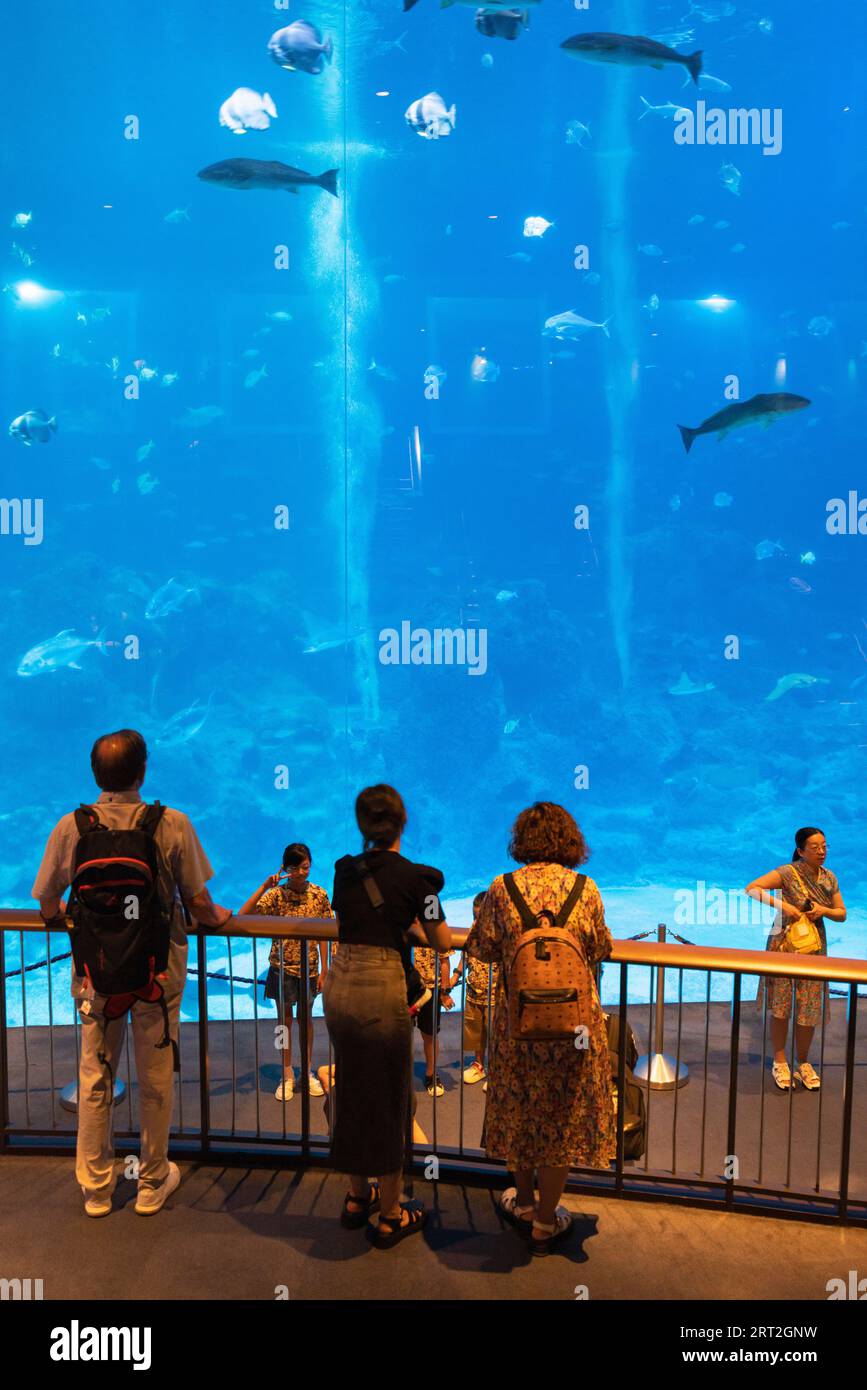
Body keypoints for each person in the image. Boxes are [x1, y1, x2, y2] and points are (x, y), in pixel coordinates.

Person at [32, 729, 231, 1218]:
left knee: (95, 1077)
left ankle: (97, 1190)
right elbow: (200, 904)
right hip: (156, 976)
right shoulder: (171, 823)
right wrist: (219, 918)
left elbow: (45, 903)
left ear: (95, 774)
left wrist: (65, 916)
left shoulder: (71, 827)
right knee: (156, 1078)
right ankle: (151, 1182)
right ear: (143, 772)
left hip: (95, 978)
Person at [465, 802, 615, 1257]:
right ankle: (547, 1221)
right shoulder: (585, 889)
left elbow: (483, 948)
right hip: (575, 1029)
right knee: (562, 1120)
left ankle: (525, 1203)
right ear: (570, 840)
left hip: (518, 1026)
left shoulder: (502, 887)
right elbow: (601, 947)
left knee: (521, 1111)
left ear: (521, 840)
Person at [323, 784, 452, 1248]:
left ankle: (358, 1197)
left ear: (362, 825)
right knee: (392, 1095)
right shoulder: (418, 881)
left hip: (340, 985)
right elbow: (441, 940)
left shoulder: (342, 870)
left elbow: (358, 918)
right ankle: (392, 1213)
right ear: (403, 823)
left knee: (352, 1085)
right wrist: (413, 919)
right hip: (381, 991)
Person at [746, 827, 846, 1091]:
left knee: (809, 1005)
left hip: (814, 945)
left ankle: (803, 1062)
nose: (822, 851)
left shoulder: (829, 878)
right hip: (783, 945)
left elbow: (841, 913)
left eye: (824, 846)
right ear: (801, 851)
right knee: (781, 1003)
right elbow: (752, 888)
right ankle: (780, 1061)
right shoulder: (788, 873)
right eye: (815, 847)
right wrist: (784, 906)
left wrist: (823, 910)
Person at [240, 843, 332, 1100]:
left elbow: (327, 934)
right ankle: (286, 1073)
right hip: (281, 970)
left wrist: (326, 969)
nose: (302, 873)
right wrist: (265, 886)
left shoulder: (320, 895)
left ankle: (308, 1071)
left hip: (311, 970)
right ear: (286, 868)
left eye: (305, 867)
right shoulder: (276, 896)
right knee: (284, 1023)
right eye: (295, 868)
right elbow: (243, 915)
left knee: (306, 1021)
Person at [451, 891, 499, 1090]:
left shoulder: (499, 934)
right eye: (474, 916)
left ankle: (497, 1071)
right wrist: (456, 974)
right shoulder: (472, 931)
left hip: (494, 996)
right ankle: (479, 1064)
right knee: (475, 1032)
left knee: (494, 1034)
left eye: (481, 917)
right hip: (473, 992)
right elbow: (466, 956)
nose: (477, 921)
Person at [412, 942, 453, 1097]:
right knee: (399, 1032)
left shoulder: (431, 917)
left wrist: (444, 991)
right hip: (403, 986)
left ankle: (431, 1074)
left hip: (430, 987)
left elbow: (444, 960)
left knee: (429, 1034)